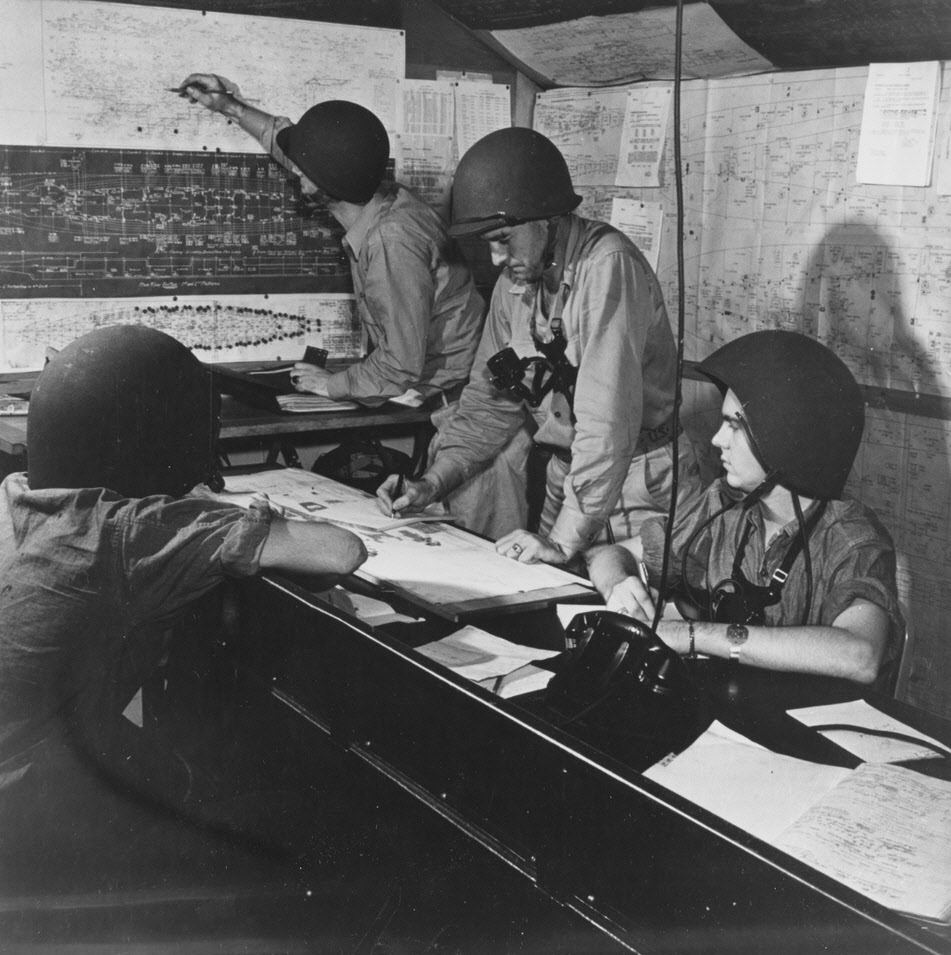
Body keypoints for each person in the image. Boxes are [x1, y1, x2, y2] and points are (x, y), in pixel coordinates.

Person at [0, 324, 366, 806]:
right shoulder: (132, 532)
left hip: (30, 734)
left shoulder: (17, 492)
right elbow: (342, 551)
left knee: (162, 768)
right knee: (213, 803)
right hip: (24, 780)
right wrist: (211, 515)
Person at [378, 127, 702, 565]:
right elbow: (488, 403)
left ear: (546, 219)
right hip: (570, 481)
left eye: (503, 240)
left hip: (640, 487)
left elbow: (607, 427)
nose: (495, 259)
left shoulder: (607, 267)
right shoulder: (518, 284)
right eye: (488, 244)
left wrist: (564, 542)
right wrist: (432, 482)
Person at [586, 329, 903, 686]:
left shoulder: (852, 541)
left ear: (786, 437)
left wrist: (691, 635)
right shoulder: (724, 507)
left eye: (735, 426)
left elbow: (860, 655)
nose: (718, 440)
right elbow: (607, 555)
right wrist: (621, 584)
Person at [176, 75, 484, 410]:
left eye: (304, 169)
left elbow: (399, 366)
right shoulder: (374, 191)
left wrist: (330, 384)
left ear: (329, 180)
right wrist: (228, 106)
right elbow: (292, 146)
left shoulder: (391, 241)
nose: (294, 170)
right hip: (427, 382)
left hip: (451, 400)